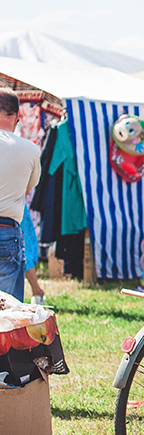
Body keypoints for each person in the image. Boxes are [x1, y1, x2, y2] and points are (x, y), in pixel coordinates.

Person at [0, 87, 42, 301]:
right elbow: (30, 184)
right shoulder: (31, 150)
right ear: (16, 118)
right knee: (7, 311)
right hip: (7, 231)